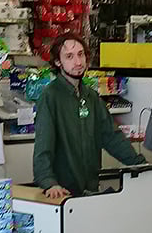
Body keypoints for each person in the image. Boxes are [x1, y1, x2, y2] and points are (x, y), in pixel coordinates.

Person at [33, 32, 143, 200]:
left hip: (90, 189)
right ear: (58, 62)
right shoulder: (50, 96)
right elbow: (43, 145)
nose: (77, 62)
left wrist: (139, 165)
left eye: (80, 54)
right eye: (69, 56)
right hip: (62, 193)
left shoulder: (91, 96)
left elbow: (111, 136)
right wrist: (48, 182)